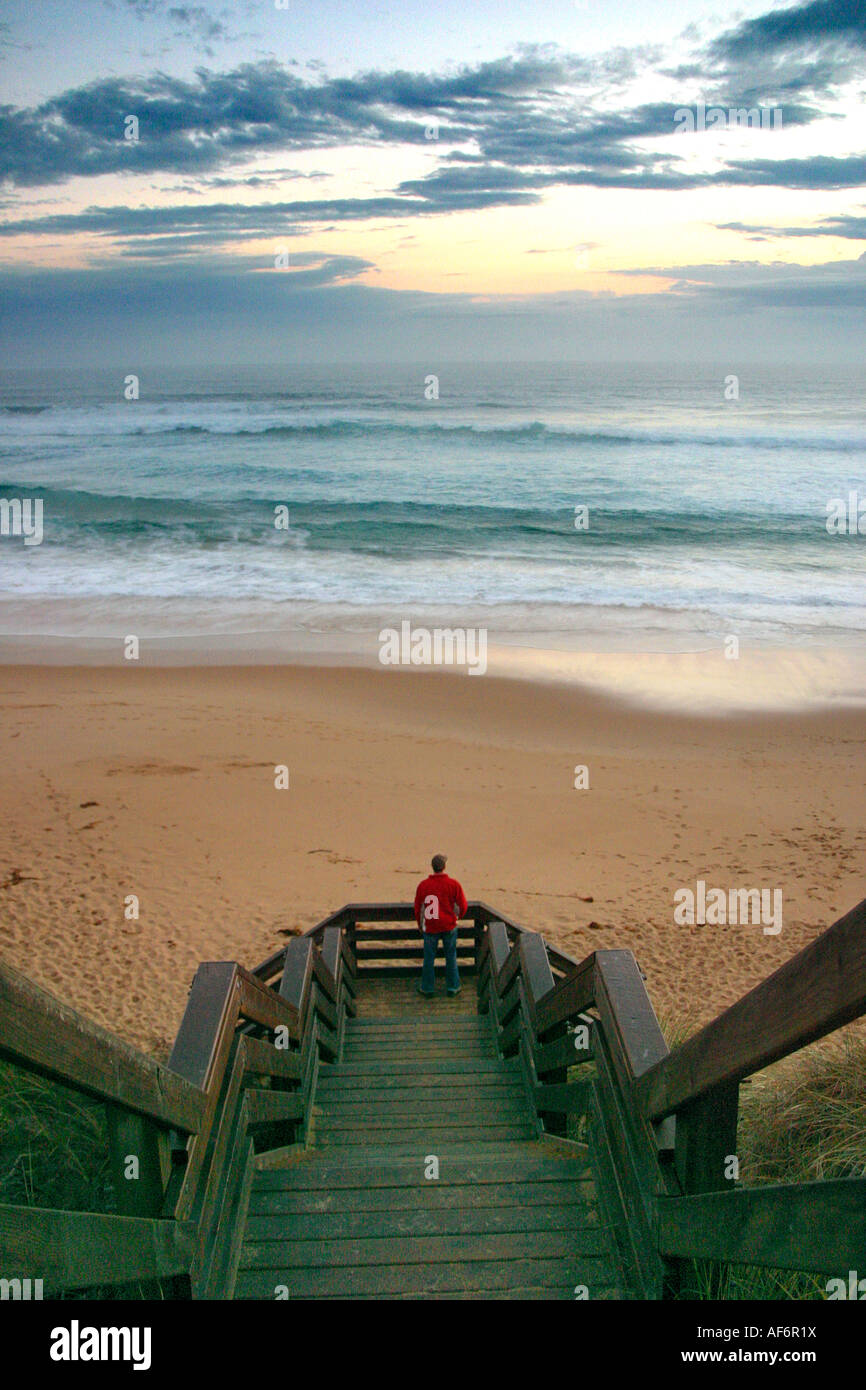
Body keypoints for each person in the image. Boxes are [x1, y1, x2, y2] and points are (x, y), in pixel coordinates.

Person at [414, 854, 468, 997]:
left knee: (429, 958)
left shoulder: (423, 885)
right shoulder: (453, 884)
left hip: (431, 926)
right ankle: (453, 987)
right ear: (444, 867)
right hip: (448, 925)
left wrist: (420, 924)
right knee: (451, 956)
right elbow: (463, 905)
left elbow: (418, 907)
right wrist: (458, 917)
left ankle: (427, 988)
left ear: (433, 867)